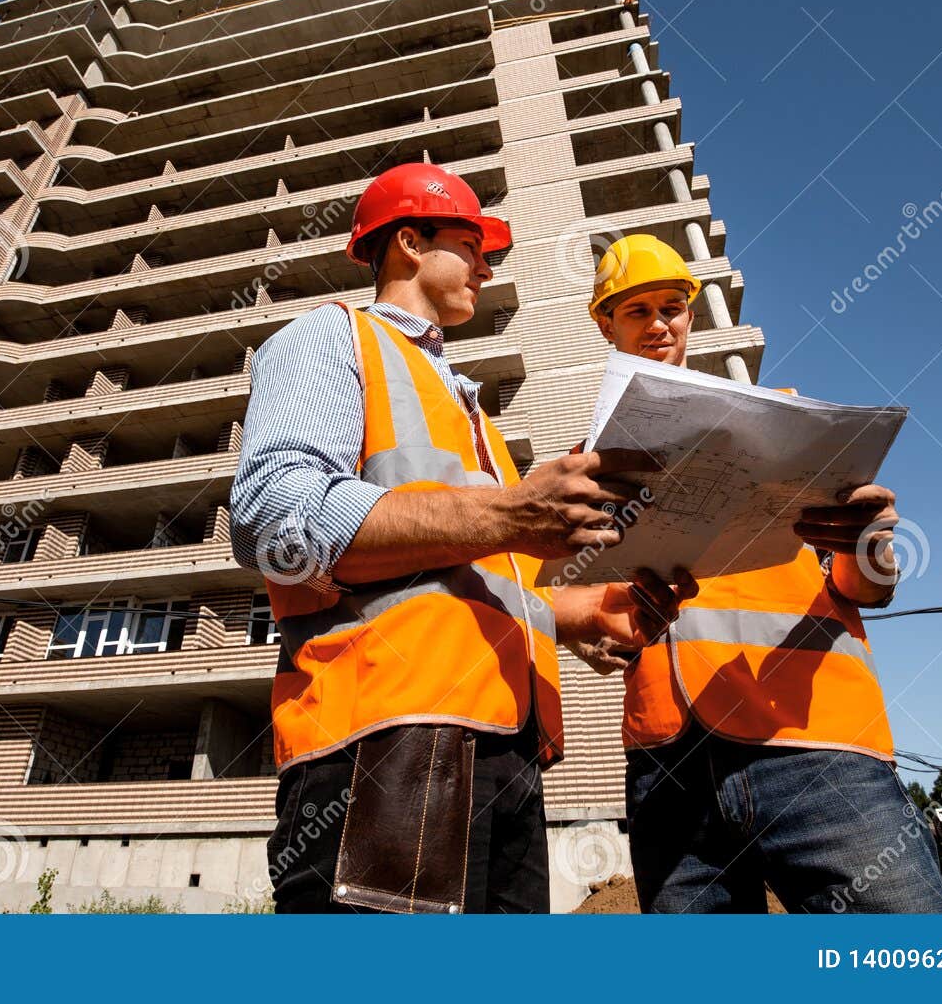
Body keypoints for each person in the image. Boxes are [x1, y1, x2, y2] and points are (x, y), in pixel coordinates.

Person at [230, 165, 693, 914]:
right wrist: (510, 516)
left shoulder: (470, 413)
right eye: (472, 245)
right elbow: (274, 518)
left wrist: (578, 615)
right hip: (386, 747)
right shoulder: (330, 337)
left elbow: (463, 589)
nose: (486, 265)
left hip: (508, 756)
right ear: (409, 243)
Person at [575, 233, 942, 914]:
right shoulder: (587, 463)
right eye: (637, 311)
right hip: (669, 765)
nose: (660, 323)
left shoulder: (779, 418)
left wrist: (871, 544)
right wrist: (593, 635)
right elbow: (600, 620)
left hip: (812, 742)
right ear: (605, 323)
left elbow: (860, 585)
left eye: (672, 306)